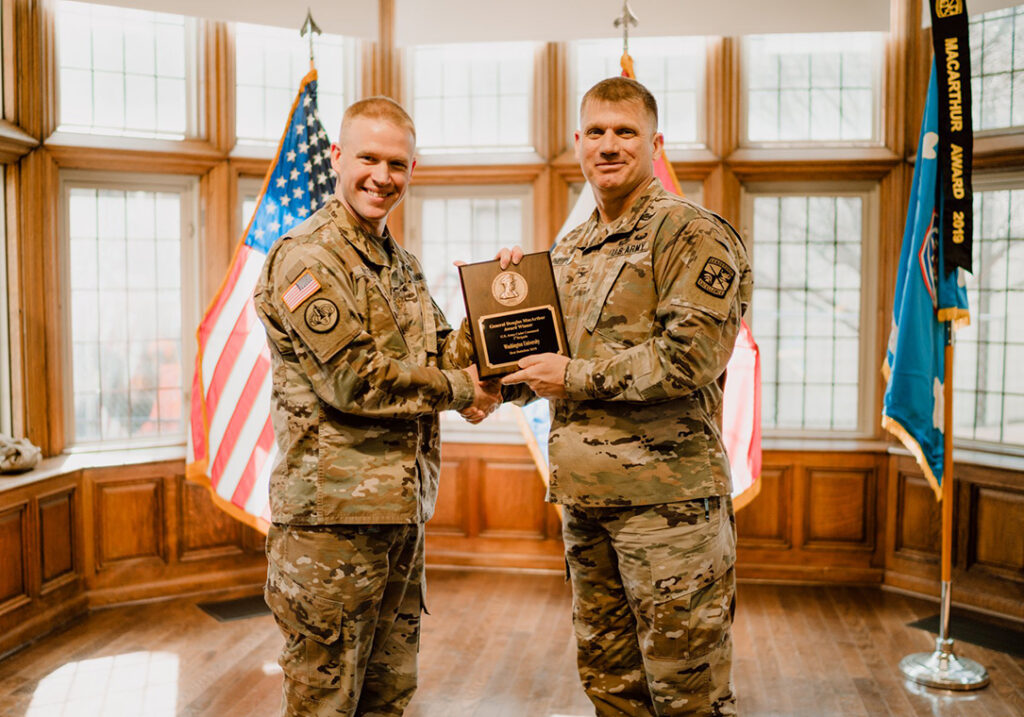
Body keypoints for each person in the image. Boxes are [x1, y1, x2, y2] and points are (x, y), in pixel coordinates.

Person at [501, 77, 753, 716]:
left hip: (669, 510)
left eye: (625, 131)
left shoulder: (690, 234)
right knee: (611, 685)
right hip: (587, 504)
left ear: (654, 143)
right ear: (578, 143)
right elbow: (536, 358)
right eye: (596, 131)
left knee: (686, 692)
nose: (608, 145)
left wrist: (575, 377)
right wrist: (506, 294)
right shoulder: (570, 249)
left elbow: (689, 358)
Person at [253, 96, 500, 717]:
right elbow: (355, 382)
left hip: (399, 517)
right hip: (329, 529)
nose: (382, 177)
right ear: (338, 157)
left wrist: (501, 303)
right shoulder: (308, 257)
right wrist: (468, 390)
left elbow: (447, 351)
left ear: (412, 170)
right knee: (325, 703)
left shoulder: (401, 266)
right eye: (369, 158)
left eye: (398, 164)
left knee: (389, 698)